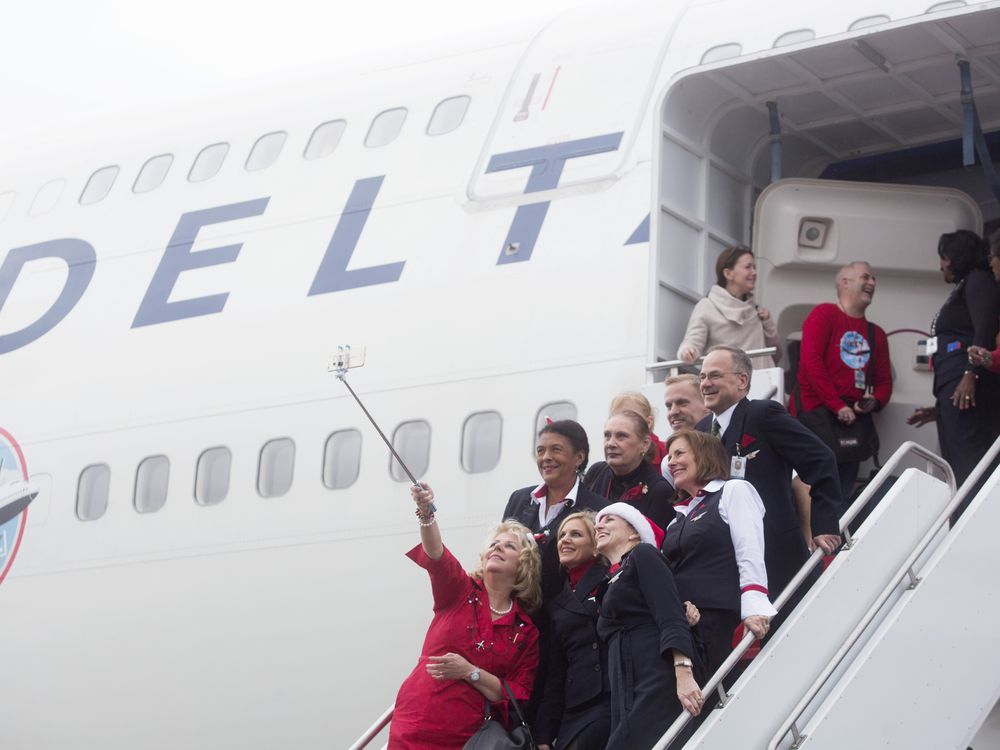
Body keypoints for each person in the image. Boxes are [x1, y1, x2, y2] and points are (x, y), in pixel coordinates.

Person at [389, 484, 542, 749]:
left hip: (469, 738)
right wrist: (427, 513)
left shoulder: (525, 631)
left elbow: (516, 694)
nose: (497, 548)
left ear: (524, 564)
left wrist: (470, 672)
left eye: (509, 546)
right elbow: (436, 554)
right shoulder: (459, 590)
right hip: (416, 725)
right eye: (494, 544)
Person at [695, 345, 842, 599]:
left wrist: (825, 524)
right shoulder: (701, 429)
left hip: (775, 556)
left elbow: (821, 459)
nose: (706, 383)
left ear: (742, 380)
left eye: (715, 375)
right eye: (702, 377)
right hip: (723, 559)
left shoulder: (763, 415)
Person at [661, 430, 776, 678]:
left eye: (679, 453)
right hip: (688, 623)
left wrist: (754, 605)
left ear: (704, 456)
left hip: (721, 619)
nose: (670, 462)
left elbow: (750, 549)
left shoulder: (734, 490)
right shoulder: (678, 517)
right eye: (669, 457)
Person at [594, 502, 702, 750]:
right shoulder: (608, 581)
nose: (599, 525)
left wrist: (684, 673)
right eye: (598, 522)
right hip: (625, 688)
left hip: (654, 676)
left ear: (634, 532)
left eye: (610, 520)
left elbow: (669, 614)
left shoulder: (643, 554)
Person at [791, 261, 892, 504]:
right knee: (810, 491)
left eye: (874, 279)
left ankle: (832, 539)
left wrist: (874, 402)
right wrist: (838, 406)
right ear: (844, 282)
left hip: (851, 426)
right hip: (814, 419)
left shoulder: (875, 333)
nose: (872, 283)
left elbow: (884, 381)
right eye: (865, 277)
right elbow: (811, 364)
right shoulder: (824, 314)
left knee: (840, 497)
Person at [907, 230, 1000, 489]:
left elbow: (985, 329)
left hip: (971, 385)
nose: (941, 265)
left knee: (969, 466)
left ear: (956, 256)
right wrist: (940, 409)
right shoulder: (965, 285)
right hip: (955, 391)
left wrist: (970, 374)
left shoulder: (978, 280)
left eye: (944, 257)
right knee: (955, 468)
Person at [502, 420, 608, 600]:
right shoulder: (519, 499)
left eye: (556, 449)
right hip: (519, 613)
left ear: (579, 458)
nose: (546, 457)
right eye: (540, 451)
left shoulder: (600, 509)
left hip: (568, 616)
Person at [534, 512, 611, 750]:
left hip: (608, 696)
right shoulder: (557, 602)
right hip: (576, 703)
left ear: (596, 545)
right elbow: (557, 671)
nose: (565, 540)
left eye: (576, 534)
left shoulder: (612, 579)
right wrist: (544, 735)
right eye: (562, 535)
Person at [678, 245, 780, 370]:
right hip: (728, 386)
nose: (754, 272)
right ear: (728, 273)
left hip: (764, 384)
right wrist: (688, 351)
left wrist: (768, 323)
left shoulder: (756, 310)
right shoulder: (707, 307)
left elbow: (775, 354)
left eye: (754, 267)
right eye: (748, 267)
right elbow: (692, 342)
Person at [583, 410, 676, 529]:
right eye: (607, 436)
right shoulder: (596, 472)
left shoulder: (658, 490)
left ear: (645, 444)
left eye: (621, 436)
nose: (610, 443)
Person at [609, 391, 667, 470]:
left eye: (629, 417)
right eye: (615, 418)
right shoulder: (608, 464)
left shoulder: (667, 455)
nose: (620, 423)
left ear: (648, 422)